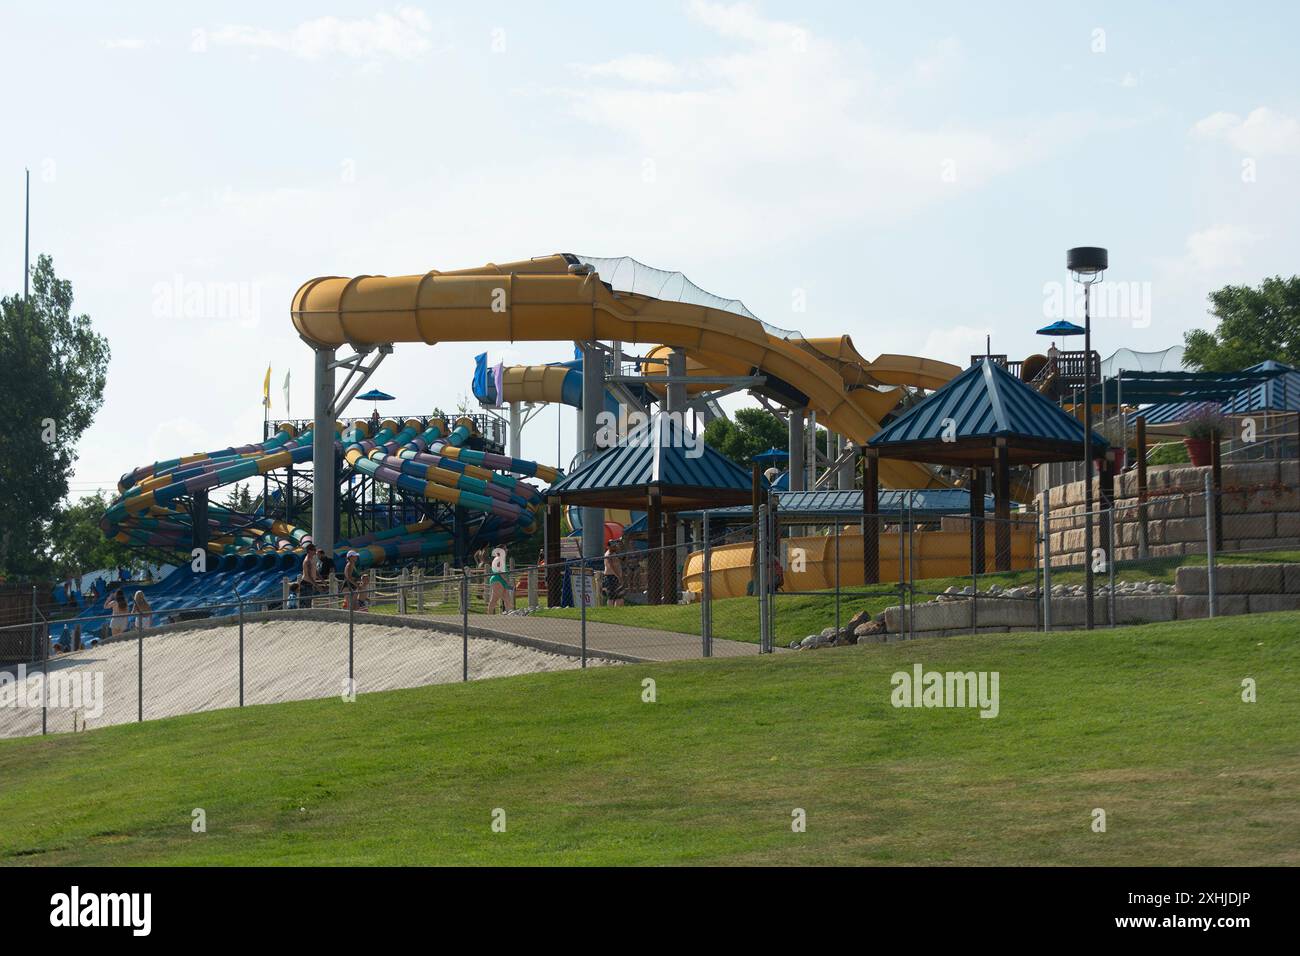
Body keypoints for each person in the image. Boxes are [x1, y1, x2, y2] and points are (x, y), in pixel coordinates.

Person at [603, 539, 625, 607]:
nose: (614, 547)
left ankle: (617, 610)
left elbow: (623, 558)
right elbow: (611, 567)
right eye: (612, 546)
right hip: (611, 576)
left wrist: (620, 547)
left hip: (616, 576)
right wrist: (618, 576)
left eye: (615, 546)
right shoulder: (608, 554)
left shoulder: (614, 553)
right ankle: (610, 609)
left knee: (619, 595)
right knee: (611, 596)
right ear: (608, 547)